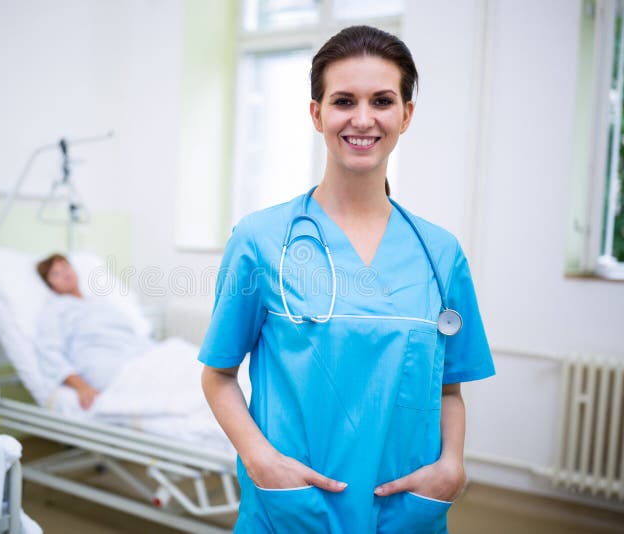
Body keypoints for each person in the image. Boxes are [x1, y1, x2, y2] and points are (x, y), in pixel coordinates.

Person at [198, 26, 495, 533]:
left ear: (407, 114)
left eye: (382, 100)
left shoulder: (440, 253)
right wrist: (261, 461)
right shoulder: (260, 240)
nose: (363, 119)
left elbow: (449, 389)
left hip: (404, 513)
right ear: (316, 114)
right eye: (343, 101)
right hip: (291, 510)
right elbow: (218, 375)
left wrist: (451, 467)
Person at [35, 253, 153, 409]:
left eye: (65, 267)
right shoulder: (54, 311)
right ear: (50, 285)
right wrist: (81, 387)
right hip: (111, 367)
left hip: (139, 354)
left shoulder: (98, 302)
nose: (65, 274)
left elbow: (129, 331)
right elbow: (51, 355)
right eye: (56, 273)